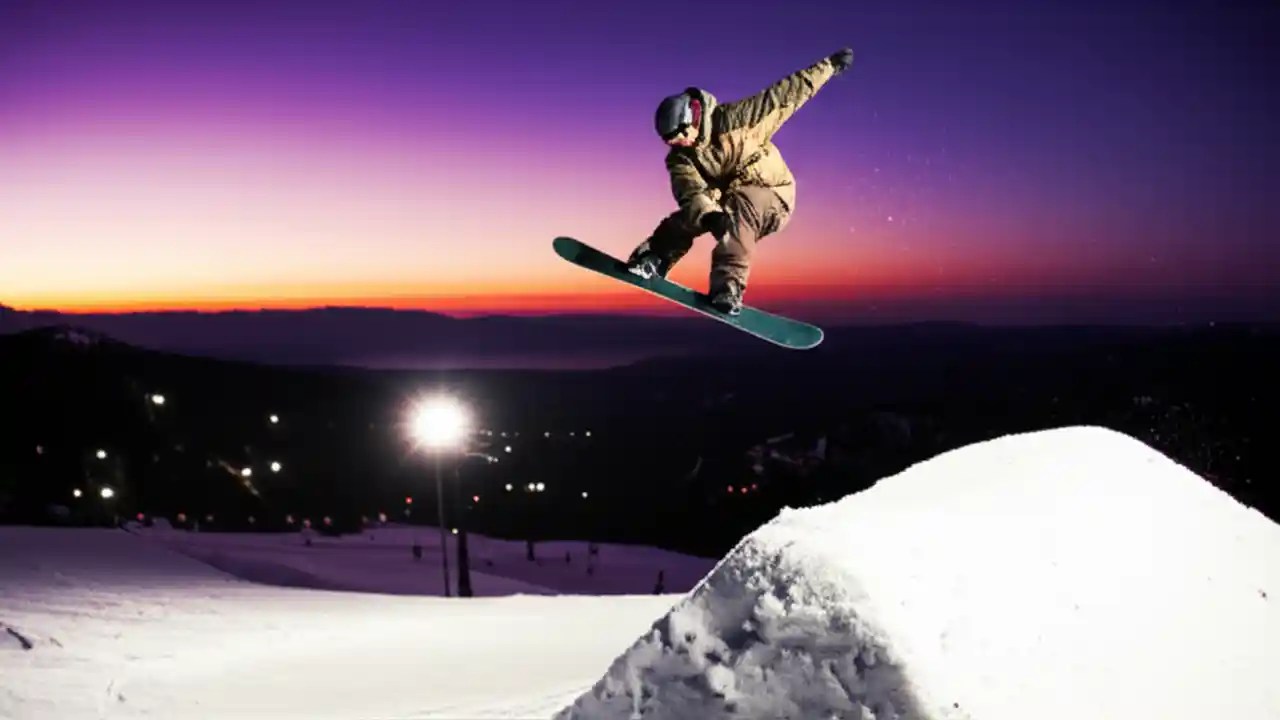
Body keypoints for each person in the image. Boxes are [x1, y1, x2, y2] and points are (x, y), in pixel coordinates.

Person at [625, 48, 855, 315]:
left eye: (680, 138)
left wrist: (829, 66)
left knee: (740, 207)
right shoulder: (680, 158)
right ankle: (654, 256)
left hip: (772, 195)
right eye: (671, 142)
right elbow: (689, 190)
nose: (680, 145)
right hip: (727, 200)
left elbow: (785, 95)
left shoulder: (737, 119)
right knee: (692, 213)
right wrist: (710, 215)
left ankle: (728, 288)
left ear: (692, 120)